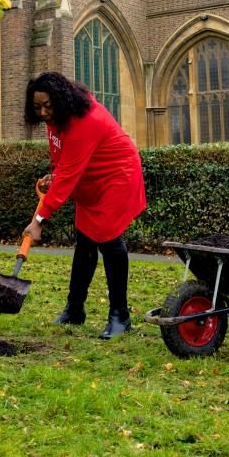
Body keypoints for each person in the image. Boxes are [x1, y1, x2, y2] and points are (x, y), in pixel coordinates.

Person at [22, 71, 146, 339]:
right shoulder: (58, 119)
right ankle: (75, 309)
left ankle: (120, 316)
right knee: (85, 242)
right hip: (90, 180)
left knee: (110, 241)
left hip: (117, 177)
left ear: (61, 100)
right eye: (37, 107)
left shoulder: (84, 122)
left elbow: (67, 177)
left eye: (47, 106)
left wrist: (38, 222)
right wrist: (54, 174)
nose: (43, 112)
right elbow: (62, 161)